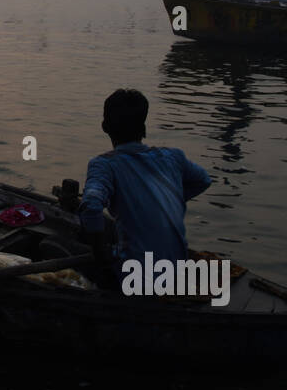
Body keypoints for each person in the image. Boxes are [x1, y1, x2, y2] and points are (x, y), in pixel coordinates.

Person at [76, 90, 212, 280]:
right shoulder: (173, 157)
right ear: (143, 127)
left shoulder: (105, 165)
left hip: (135, 276)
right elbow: (203, 180)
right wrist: (163, 201)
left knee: (54, 246)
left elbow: (91, 207)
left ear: (105, 126)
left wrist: (101, 255)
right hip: (177, 269)